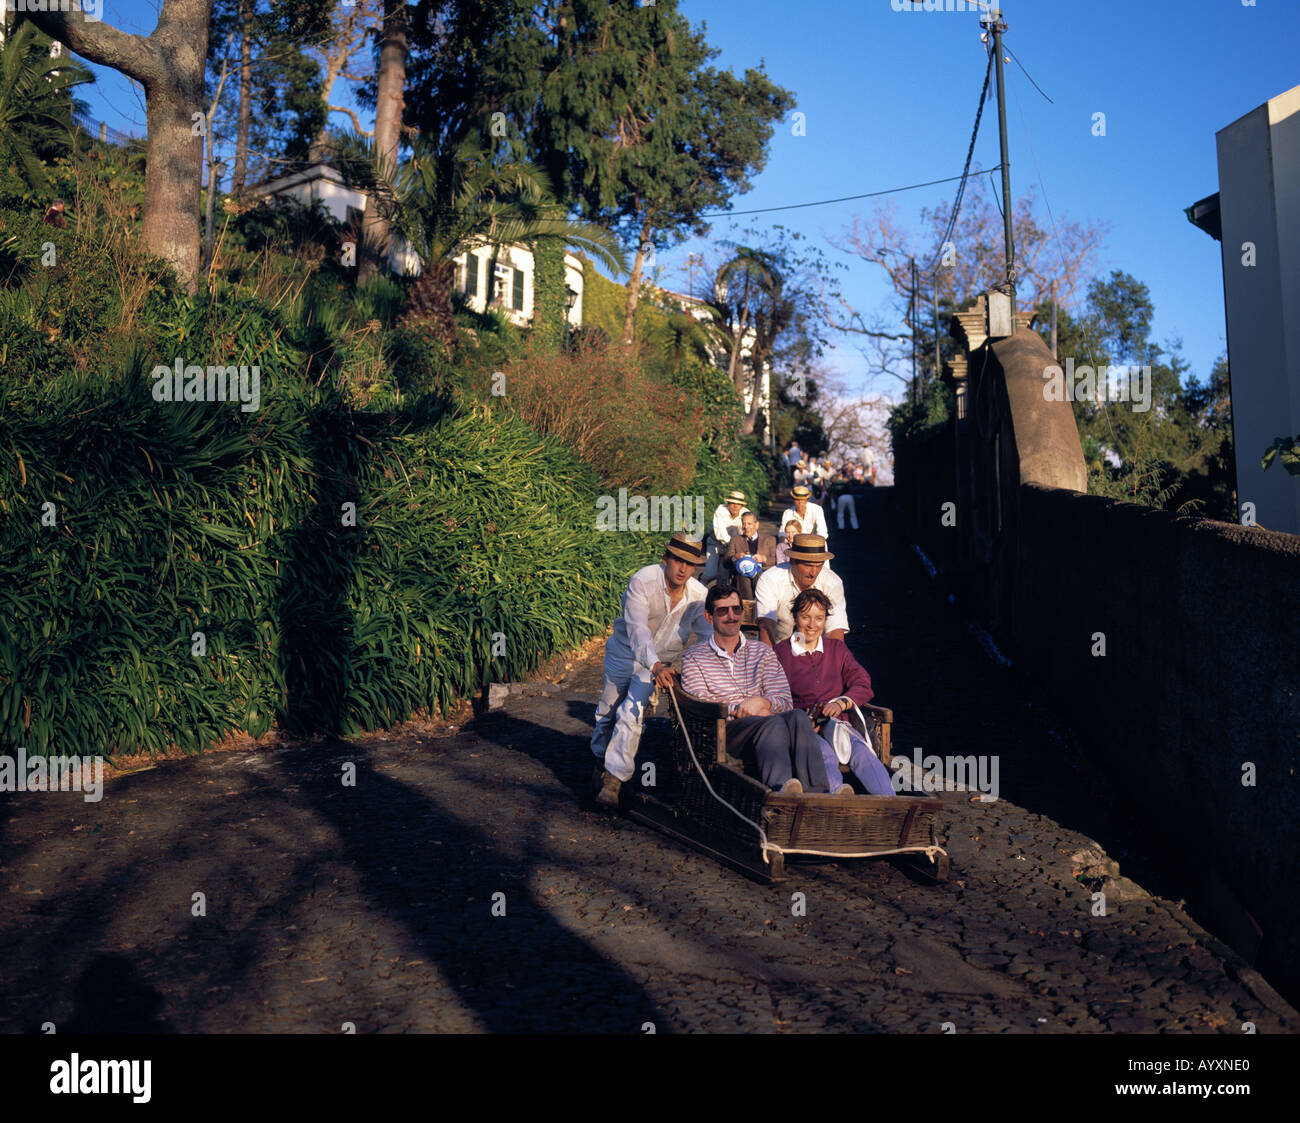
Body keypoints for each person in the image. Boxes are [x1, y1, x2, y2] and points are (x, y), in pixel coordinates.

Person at [591, 533, 712, 808]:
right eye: (678, 561)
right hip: (625, 652)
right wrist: (655, 664)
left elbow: (708, 636)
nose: (683, 569)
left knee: (631, 712)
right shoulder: (642, 581)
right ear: (665, 558)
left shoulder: (698, 595)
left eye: (690, 564)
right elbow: (638, 630)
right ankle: (598, 759)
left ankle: (613, 780)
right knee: (606, 713)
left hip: (661, 662)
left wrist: (683, 667)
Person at [680, 584, 830, 794]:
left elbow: (784, 699)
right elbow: (701, 705)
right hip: (726, 730)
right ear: (708, 617)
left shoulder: (762, 652)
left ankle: (818, 794)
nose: (731, 616)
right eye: (723, 611)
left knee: (797, 717)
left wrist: (763, 703)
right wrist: (741, 708)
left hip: (766, 722)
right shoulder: (694, 657)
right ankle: (780, 795)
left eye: (736, 610)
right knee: (773, 724)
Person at [773, 589, 895, 797]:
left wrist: (841, 703)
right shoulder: (781, 652)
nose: (812, 625)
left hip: (838, 724)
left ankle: (891, 805)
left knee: (862, 752)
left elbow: (862, 682)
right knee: (824, 754)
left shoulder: (836, 649)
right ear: (795, 617)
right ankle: (839, 797)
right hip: (804, 729)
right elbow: (774, 695)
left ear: (825, 620)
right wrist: (801, 720)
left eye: (819, 618)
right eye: (805, 617)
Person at [754, 533, 849, 646]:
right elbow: (766, 625)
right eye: (808, 565)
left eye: (819, 566)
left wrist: (834, 660)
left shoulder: (832, 583)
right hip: (776, 648)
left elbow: (835, 629)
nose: (813, 573)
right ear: (792, 561)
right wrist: (770, 660)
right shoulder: (770, 579)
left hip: (816, 654)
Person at [725, 511, 777, 600]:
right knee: (743, 575)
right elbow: (725, 563)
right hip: (742, 577)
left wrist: (763, 559)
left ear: (757, 525)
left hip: (763, 575)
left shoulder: (769, 539)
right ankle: (747, 605)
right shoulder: (735, 540)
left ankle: (760, 604)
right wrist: (735, 557)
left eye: (749, 524)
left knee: (759, 575)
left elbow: (775, 560)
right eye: (744, 524)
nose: (746, 527)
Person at [704, 489, 746, 583]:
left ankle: (718, 596)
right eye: (732, 503)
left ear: (742, 505)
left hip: (730, 547)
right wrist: (733, 546)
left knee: (724, 577)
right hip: (714, 544)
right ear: (728, 503)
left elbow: (745, 532)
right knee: (711, 574)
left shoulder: (745, 514)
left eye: (738, 504)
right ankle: (701, 581)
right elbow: (720, 533)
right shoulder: (721, 510)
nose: (735, 506)